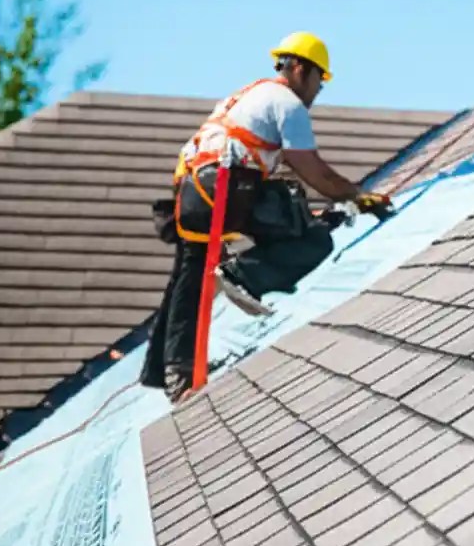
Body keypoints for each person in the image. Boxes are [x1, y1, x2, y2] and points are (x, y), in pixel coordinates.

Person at [141, 32, 391, 400]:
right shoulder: (287, 104)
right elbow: (312, 170)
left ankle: (169, 372)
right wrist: (359, 196)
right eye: (319, 82)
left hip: (196, 188)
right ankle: (240, 276)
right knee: (313, 240)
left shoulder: (254, 93)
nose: (317, 93)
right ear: (302, 69)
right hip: (222, 188)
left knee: (188, 277)